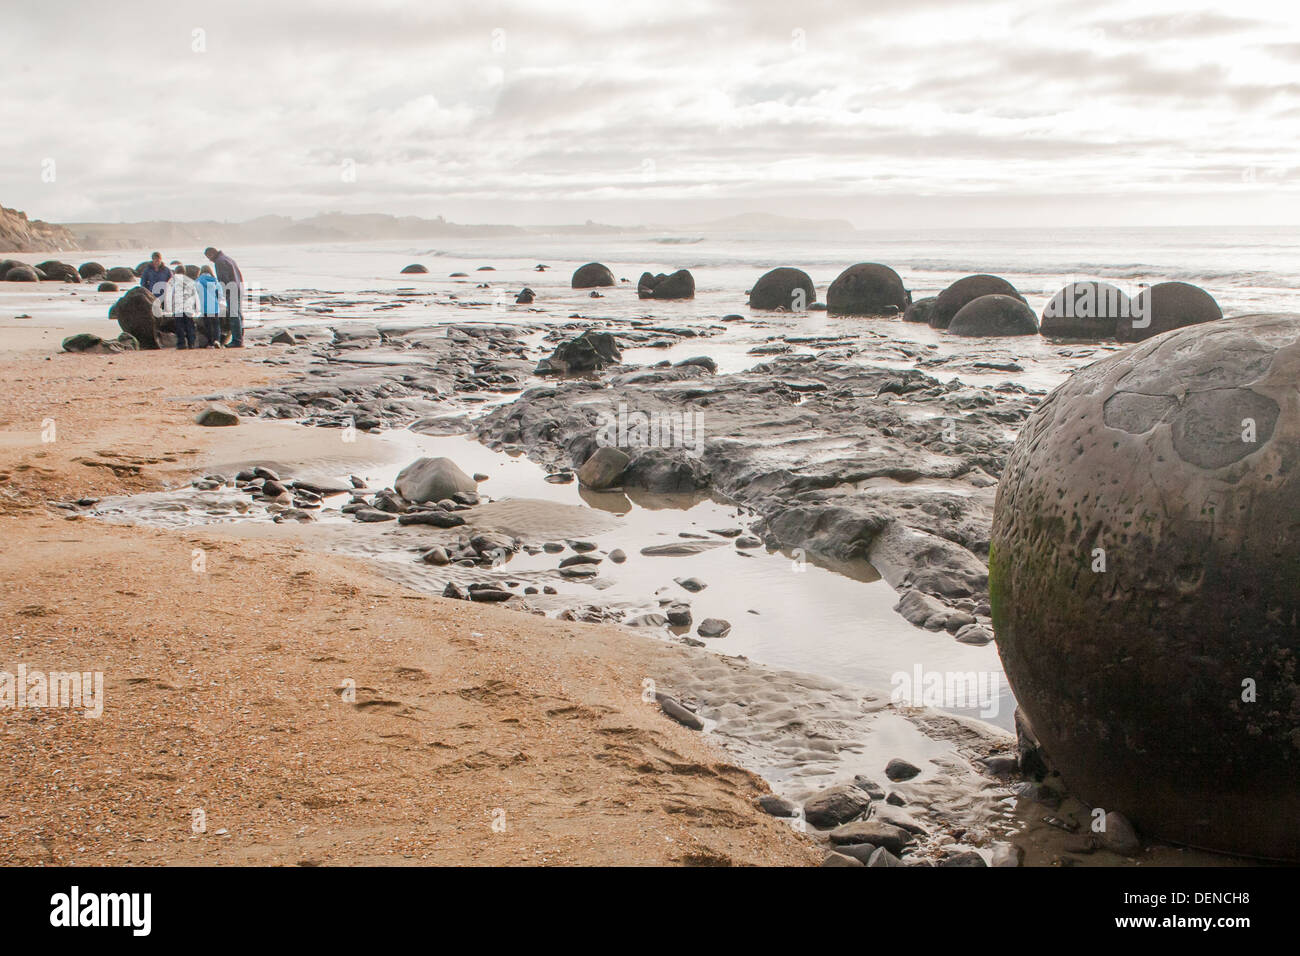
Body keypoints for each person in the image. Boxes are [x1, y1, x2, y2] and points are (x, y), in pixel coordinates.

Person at [204, 247, 244, 348]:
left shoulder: (219, 262)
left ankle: (237, 340)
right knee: (238, 314)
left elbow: (223, 279)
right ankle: (240, 338)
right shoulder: (228, 259)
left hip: (231, 290)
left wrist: (222, 294)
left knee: (233, 315)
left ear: (212, 253)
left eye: (209, 256)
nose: (209, 260)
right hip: (238, 287)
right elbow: (239, 275)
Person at [163, 264, 202, 350]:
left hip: (178, 308)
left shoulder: (172, 281)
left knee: (179, 326)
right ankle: (191, 343)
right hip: (189, 308)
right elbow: (195, 296)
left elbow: (169, 296)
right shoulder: (190, 281)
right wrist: (197, 309)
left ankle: (181, 344)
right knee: (190, 326)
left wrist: (168, 308)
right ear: (185, 272)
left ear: (175, 272)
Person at [196, 265, 224, 348]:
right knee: (216, 325)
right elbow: (220, 294)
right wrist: (218, 302)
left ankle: (210, 343)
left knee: (207, 325)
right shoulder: (215, 281)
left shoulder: (198, 281)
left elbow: (196, 294)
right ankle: (217, 340)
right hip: (214, 306)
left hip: (204, 307)